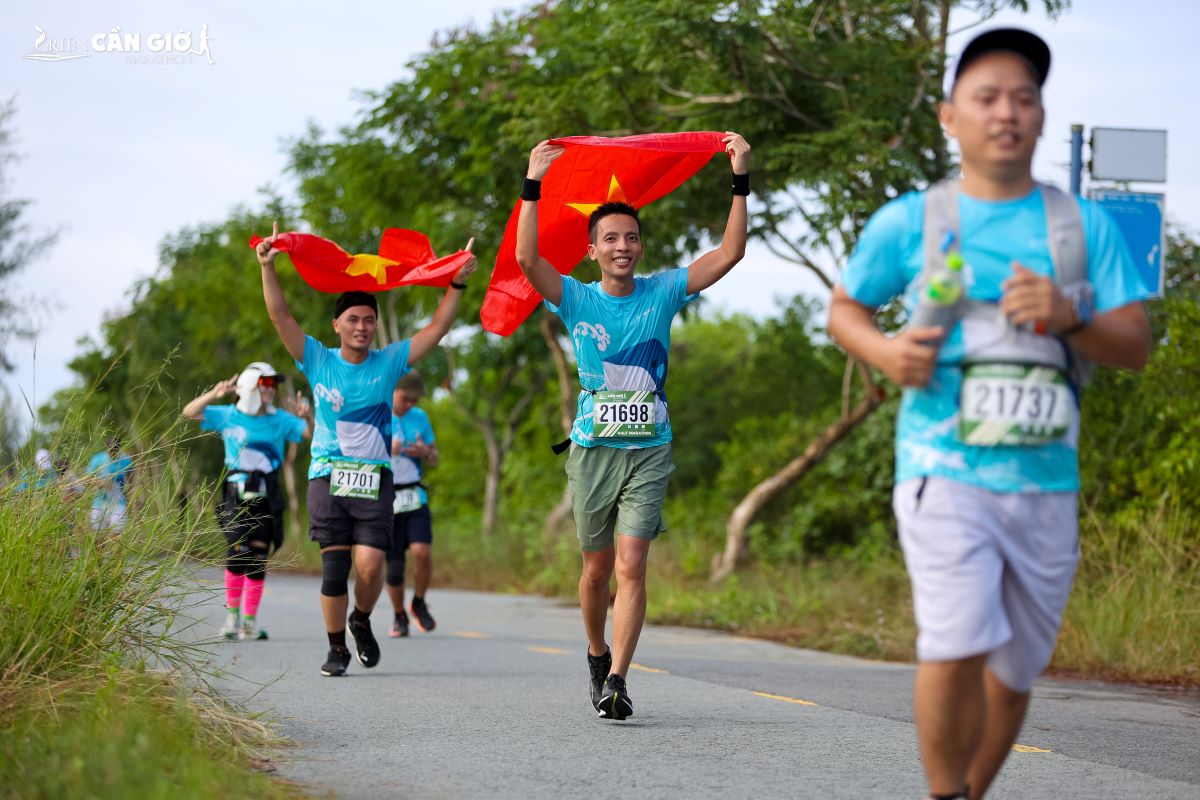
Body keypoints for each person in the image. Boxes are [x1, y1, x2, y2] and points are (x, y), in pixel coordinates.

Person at [827, 29, 1151, 800]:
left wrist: (1070, 316)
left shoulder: (1084, 227)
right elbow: (844, 310)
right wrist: (886, 354)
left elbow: (1135, 344)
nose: (1006, 112)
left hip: (1046, 481)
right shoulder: (911, 220)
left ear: (1041, 117)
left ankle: (969, 792)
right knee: (956, 640)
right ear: (950, 117)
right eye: (987, 97)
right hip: (943, 469)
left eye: (1024, 98)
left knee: (1015, 671)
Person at [515, 132, 751, 719]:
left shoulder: (663, 291)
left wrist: (739, 176)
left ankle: (618, 679)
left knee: (631, 564)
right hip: (593, 451)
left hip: (649, 450)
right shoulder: (575, 298)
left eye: (631, 237)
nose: (623, 246)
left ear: (641, 247)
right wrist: (533, 183)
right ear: (593, 250)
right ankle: (597, 655)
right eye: (611, 239)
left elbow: (730, 253)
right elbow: (527, 261)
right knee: (596, 570)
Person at [255, 222, 477, 677]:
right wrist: (268, 268)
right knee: (335, 571)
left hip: (375, 479)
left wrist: (455, 283)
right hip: (327, 477)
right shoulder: (317, 358)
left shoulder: (389, 361)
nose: (362, 327)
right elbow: (281, 318)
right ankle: (336, 648)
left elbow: (437, 328)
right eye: (353, 320)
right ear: (337, 325)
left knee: (371, 565)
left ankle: (361, 619)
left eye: (368, 320)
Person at [183, 361, 313, 641]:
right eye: (265, 383)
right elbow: (189, 412)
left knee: (257, 557)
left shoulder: (279, 419)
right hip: (236, 493)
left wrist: (308, 417)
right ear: (251, 386)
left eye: (273, 384)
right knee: (238, 550)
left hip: (267, 492)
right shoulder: (229, 415)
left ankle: (249, 624)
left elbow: (307, 433)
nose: (271, 389)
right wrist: (215, 393)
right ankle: (231, 619)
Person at [385, 370, 440, 637]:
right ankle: (399, 616)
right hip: (386, 497)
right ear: (394, 391)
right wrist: (385, 448)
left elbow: (435, 458)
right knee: (394, 567)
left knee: (422, 552)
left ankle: (418, 602)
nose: (410, 405)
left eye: (414, 401)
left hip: (414, 495)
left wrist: (425, 452)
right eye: (406, 399)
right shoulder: (378, 413)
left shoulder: (420, 418)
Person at [86, 436, 134, 532]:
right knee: (98, 536)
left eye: (115, 450)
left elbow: (130, 482)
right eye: (111, 450)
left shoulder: (126, 461)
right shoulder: (98, 459)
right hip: (99, 502)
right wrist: (99, 482)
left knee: (116, 532)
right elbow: (87, 480)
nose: (113, 453)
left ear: (119, 448)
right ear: (106, 448)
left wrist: (131, 499)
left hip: (118, 501)